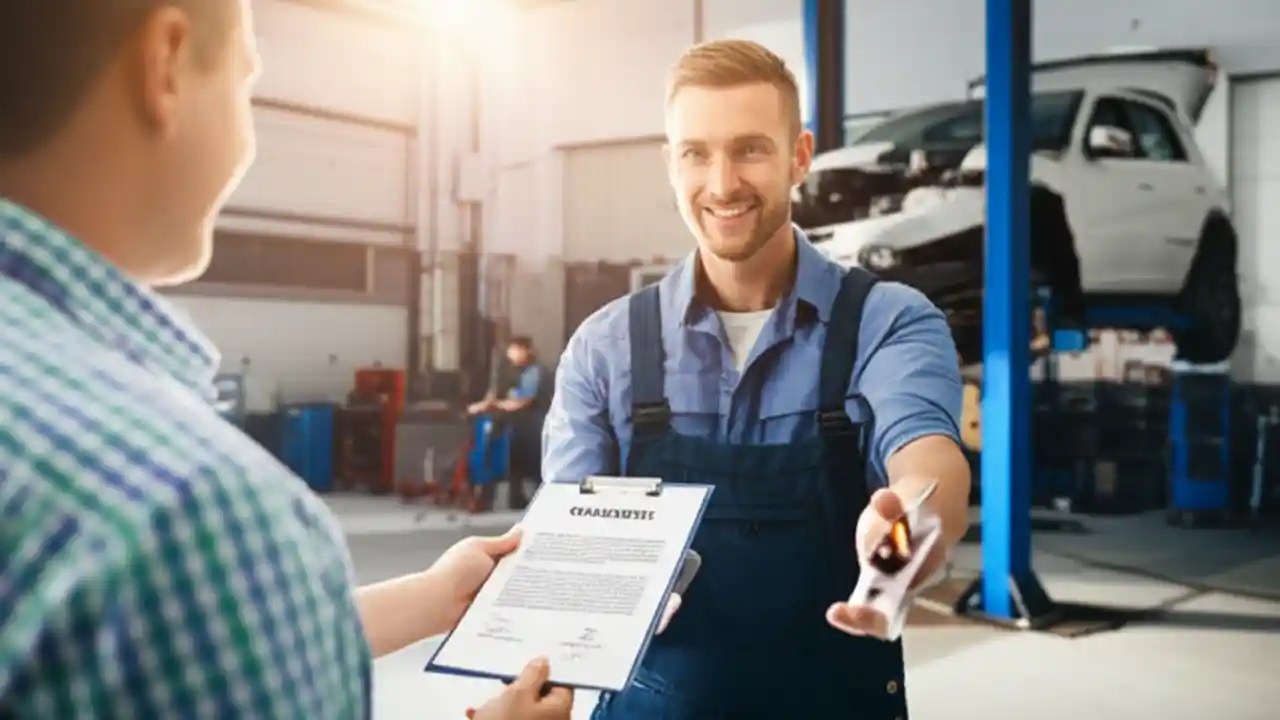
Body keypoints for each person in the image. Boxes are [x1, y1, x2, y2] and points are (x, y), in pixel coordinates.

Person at [0, 2, 569, 718]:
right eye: (246, 83)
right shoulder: (192, 513)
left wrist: (432, 599)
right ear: (165, 63)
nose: (246, 143)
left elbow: (199, 648)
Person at [541, 39, 971, 718]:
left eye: (749, 149)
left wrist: (898, 551)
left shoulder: (887, 321)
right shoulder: (605, 347)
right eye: (696, 153)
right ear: (670, 163)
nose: (722, 184)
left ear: (799, 157)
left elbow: (925, 469)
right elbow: (570, 537)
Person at [467, 336, 548, 510]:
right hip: (514, 427)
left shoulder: (534, 372)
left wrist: (495, 405)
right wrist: (485, 404)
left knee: (533, 465)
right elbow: (496, 394)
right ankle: (513, 499)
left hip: (533, 425)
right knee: (512, 463)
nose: (511, 354)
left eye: (516, 349)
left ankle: (540, 502)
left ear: (526, 350)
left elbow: (524, 401)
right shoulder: (511, 371)